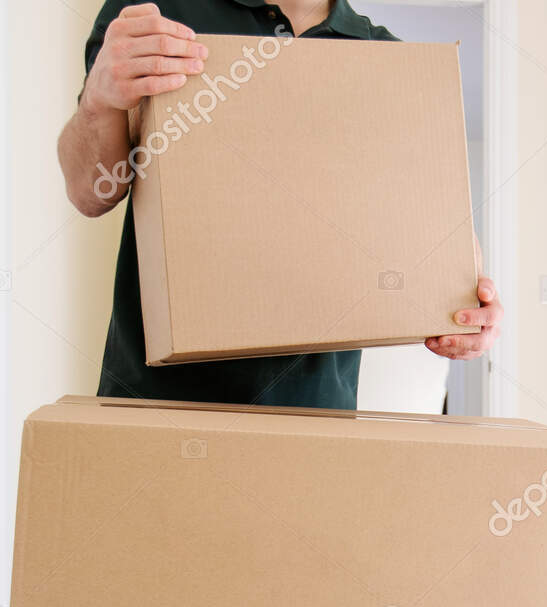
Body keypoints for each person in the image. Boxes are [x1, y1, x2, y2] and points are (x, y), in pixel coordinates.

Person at [57, 1, 501, 407]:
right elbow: (90, 192)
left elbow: (440, 236)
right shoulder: (158, 15)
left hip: (314, 418)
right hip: (157, 406)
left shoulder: (384, 56)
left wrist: (469, 310)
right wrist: (99, 99)